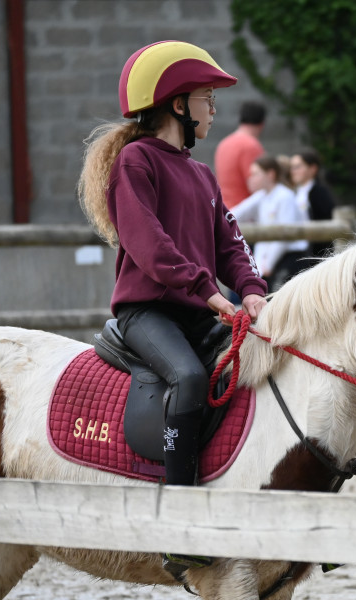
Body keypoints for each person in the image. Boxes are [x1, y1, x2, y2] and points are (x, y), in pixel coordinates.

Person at [78, 40, 268, 496]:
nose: (214, 109)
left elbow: (231, 242)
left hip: (198, 310)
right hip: (149, 314)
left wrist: (252, 287)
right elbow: (151, 246)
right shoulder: (135, 161)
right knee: (189, 377)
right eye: (208, 99)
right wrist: (214, 294)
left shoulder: (202, 175)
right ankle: (179, 514)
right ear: (179, 104)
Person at [232, 155, 309, 291]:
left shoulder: (285, 196)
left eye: (256, 174)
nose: (251, 178)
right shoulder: (262, 196)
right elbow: (235, 214)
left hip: (289, 259)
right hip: (268, 262)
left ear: (270, 174)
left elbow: (285, 234)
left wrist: (267, 265)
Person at [213, 99, 266, 209]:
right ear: (262, 124)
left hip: (226, 211)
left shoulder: (224, 144)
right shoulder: (251, 146)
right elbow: (258, 185)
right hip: (245, 214)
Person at [290, 147, 336, 258]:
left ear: (312, 168)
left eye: (298, 167)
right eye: (292, 167)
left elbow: (326, 219)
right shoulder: (296, 192)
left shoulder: (319, 192)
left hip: (317, 252)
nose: (293, 171)